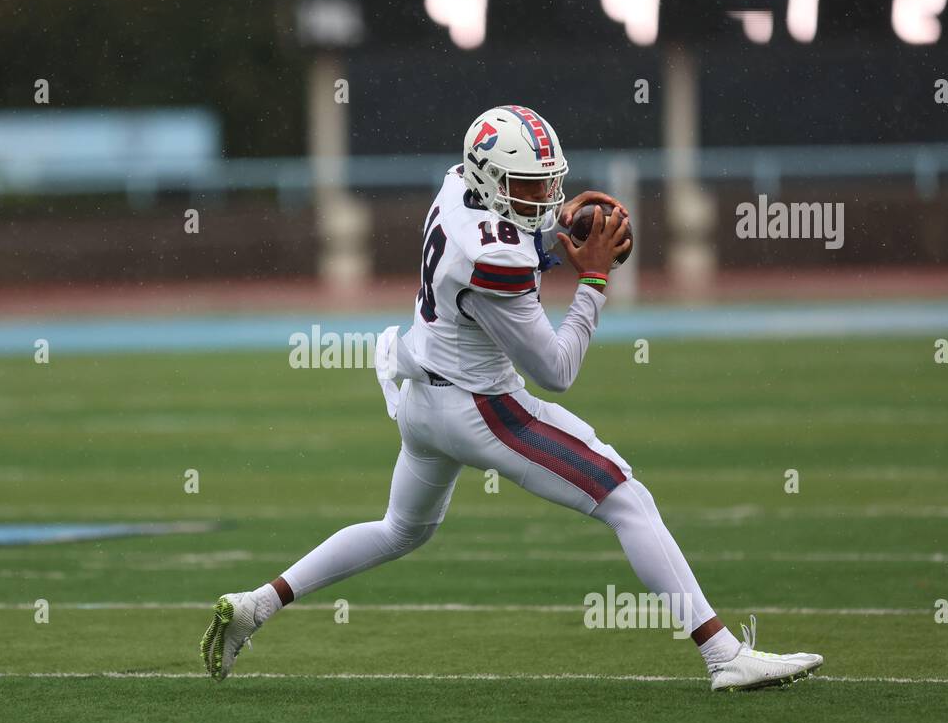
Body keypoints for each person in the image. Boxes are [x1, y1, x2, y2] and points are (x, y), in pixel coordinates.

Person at [201, 105, 823, 692]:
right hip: (482, 409)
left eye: (547, 183)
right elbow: (556, 369)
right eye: (529, 186)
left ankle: (258, 604)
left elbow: (508, 243)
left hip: (422, 394)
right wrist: (595, 281)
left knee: (401, 529)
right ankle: (724, 656)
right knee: (627, 499)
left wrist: (553, 243)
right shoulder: (494, 254)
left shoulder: (454, 185)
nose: (546, 199)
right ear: (493, 179)